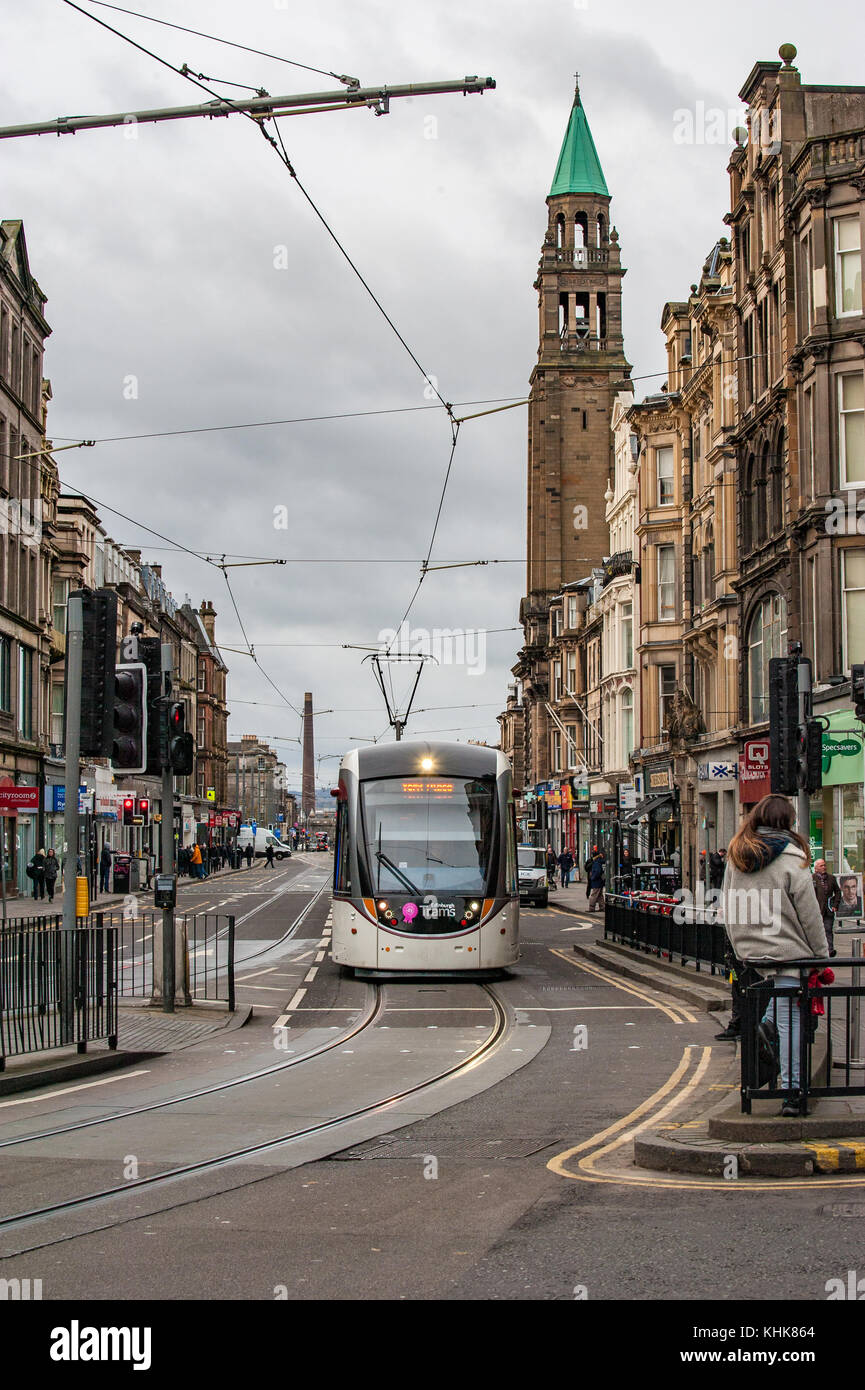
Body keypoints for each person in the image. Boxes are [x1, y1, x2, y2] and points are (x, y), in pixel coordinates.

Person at [722, 794, 828, 1115]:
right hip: (786, 954)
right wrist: (821, 958)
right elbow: (810, 916)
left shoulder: (737, 857)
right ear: (787, 823)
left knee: (778, 1015)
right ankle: (793, 1092)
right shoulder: (792, 859)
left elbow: (726, 908)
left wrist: (740, 946)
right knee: (791, 1023)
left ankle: (764, 1030)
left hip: (750, 950)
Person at [812, 859, 841, 955]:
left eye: (824, 865)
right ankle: (818, 950)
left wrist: (835, 905)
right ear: (816, 868)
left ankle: (830, 950)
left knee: (828, 929)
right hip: (816, 910)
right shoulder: (811, 878)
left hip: (828, 909)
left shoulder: (831, 878)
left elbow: (837, 891)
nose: (824, 867)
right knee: (816, 931)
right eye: (821, 866)